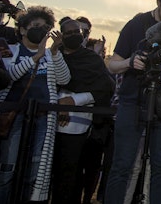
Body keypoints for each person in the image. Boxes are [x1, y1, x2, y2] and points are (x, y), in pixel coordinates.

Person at [104, 0, 161, 204]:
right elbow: (112, 65)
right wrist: (130, 62)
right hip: (133, 102)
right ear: (158, 1)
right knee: (122, 164)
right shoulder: (136, 24)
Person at [0, 5, 70, 203]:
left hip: (42, 119)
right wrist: (34, 58)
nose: (42, 29)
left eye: (46, 27)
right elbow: (9, 76)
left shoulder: (51, 54)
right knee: (7, 169)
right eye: (36, 25)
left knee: (34, 170)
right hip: (13, 118)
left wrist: (54, 53)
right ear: (22, 29)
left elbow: (64, 79)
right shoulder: (10, 50)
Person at [51, 16, 115, 204]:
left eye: (76, 32)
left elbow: (104, 87)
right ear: (61, 35)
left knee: (71, 173)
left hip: (78, 125)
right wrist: (61, 102)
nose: (73, 35)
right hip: (50, 122)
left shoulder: (91, 59)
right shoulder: (54, 54)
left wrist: (74, 100)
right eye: (68, 32)